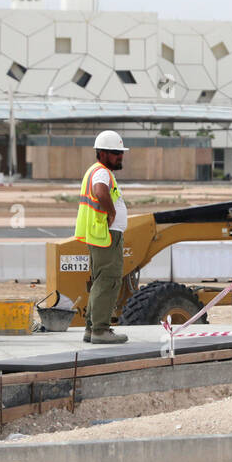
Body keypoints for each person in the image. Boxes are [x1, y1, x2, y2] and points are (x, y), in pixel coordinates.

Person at [76, 130, 129, 344]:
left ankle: (92, 328)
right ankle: (100, 330)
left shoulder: (98, 171)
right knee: (108, 280)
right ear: (103, 153)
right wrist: (112, 212)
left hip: (100, 235)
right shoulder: (102, 173)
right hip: (107, 235)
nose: (120, 156)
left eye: (121, 152)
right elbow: (100, 192)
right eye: (116, 153)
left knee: (101, 281)